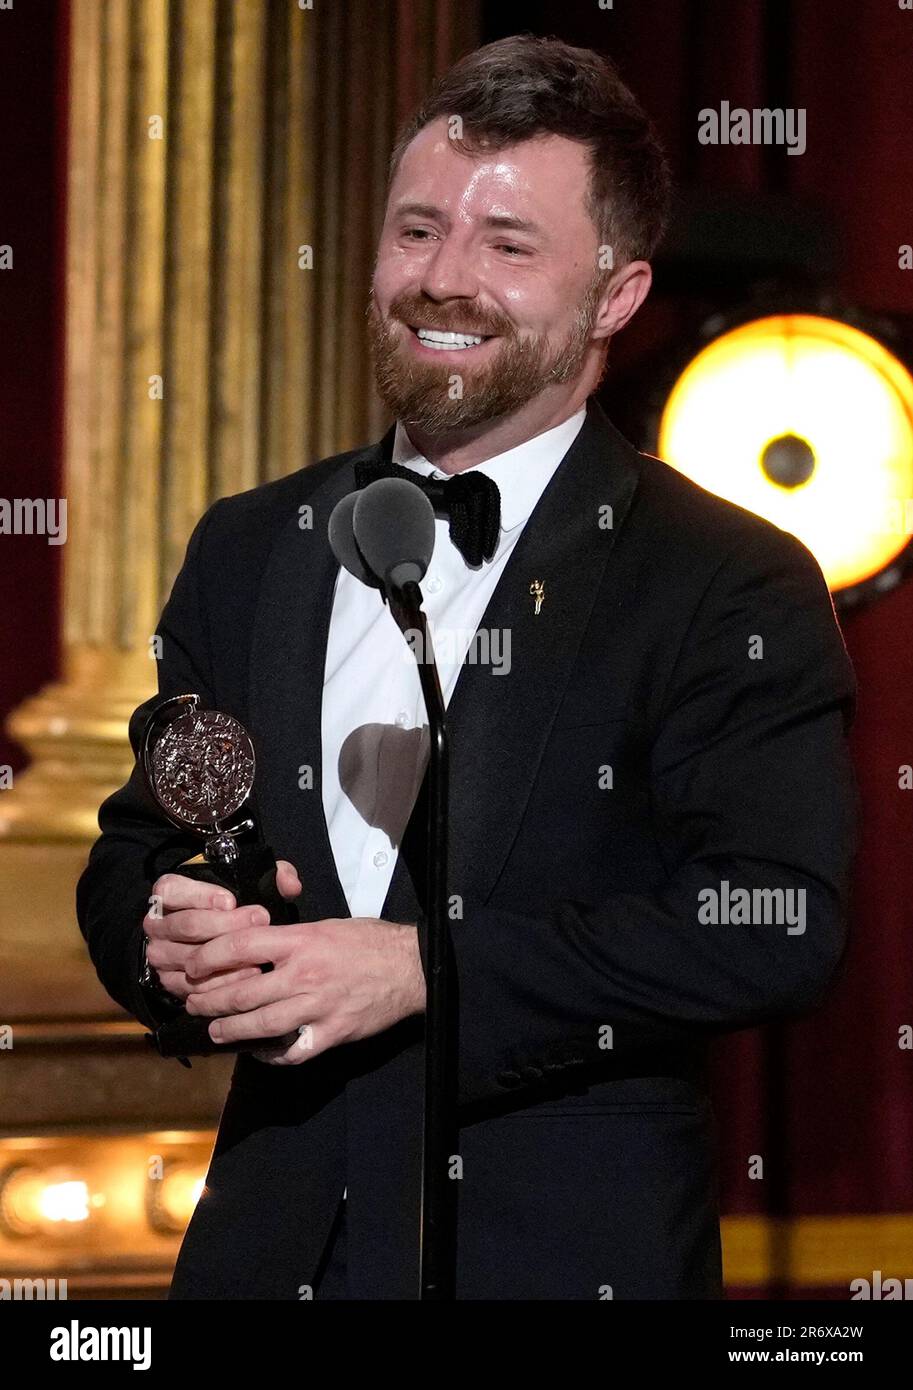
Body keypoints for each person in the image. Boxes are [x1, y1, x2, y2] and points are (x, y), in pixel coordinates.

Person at [77, 34, 857, 1300]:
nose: (443, 281)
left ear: (614, 294)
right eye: (418, 230)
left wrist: (423, 971)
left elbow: (772, 924)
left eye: (507, 246)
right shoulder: (249, 544)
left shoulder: (725, 578)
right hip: (264, 1261)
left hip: (559, 1266)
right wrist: (167, 937)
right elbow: (137, 846)